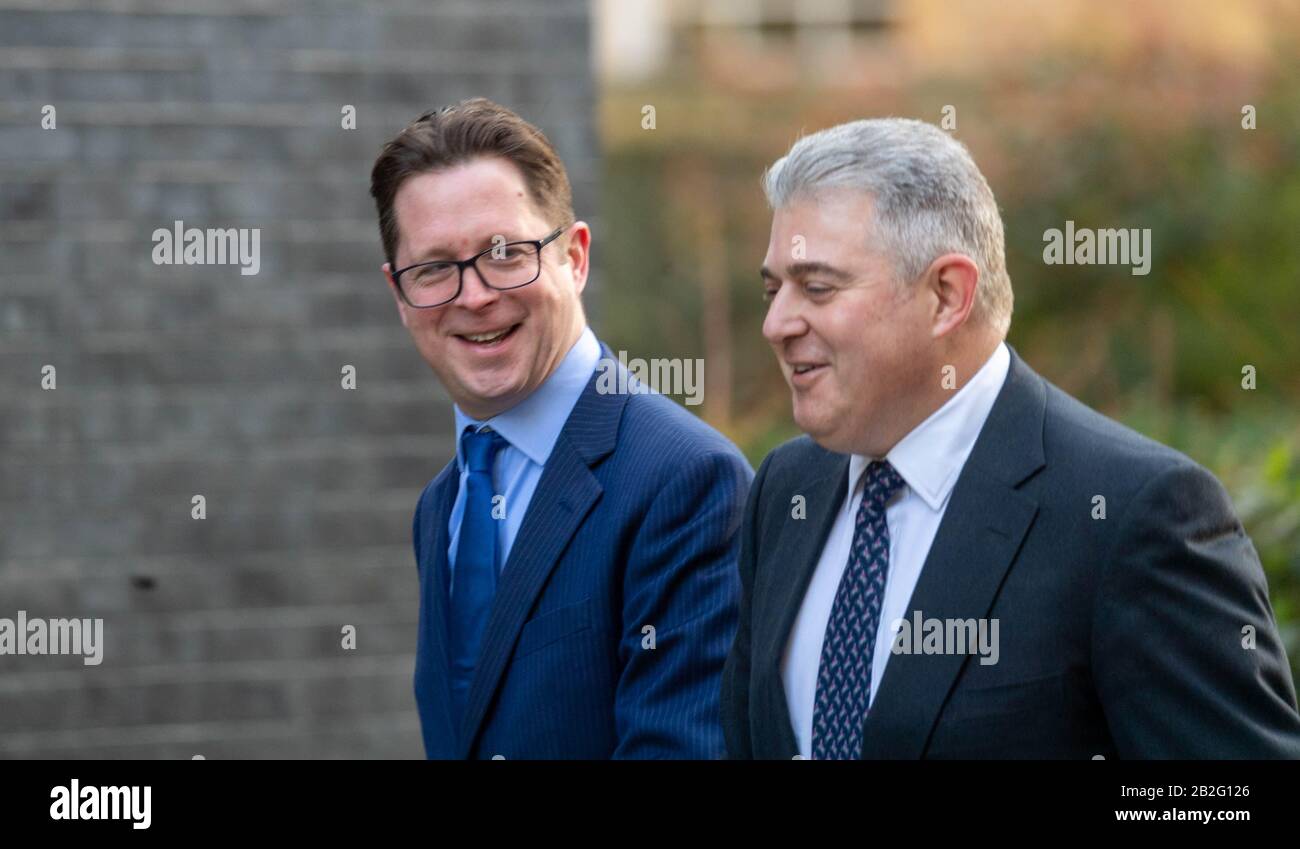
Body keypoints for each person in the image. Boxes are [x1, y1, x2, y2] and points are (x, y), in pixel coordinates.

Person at [721, 117, 1300, 759]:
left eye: (817, 288)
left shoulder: (1133, 514)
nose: (776, 323)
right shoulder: (786, 488)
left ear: (947, 295)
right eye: (773, 289)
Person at [371, 98, 751, 758]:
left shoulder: (687, 482)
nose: (475, 295)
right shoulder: (441, 506)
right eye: (434, 268)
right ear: (400, 295)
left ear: (574, 257)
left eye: (505, 253)